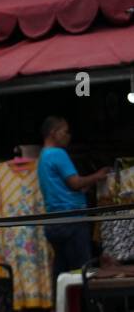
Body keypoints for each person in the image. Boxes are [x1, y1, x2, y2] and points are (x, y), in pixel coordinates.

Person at [38, 115, 109, 284]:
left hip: (55, 222)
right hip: (72, 220)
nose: (68, 136)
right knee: (82, 271)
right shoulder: (58, 153)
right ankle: (88, 307)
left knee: (63, 273)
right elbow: (75, 183)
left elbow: (67, 187)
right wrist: (98, 176)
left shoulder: (43, 156)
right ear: (54, 133)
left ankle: (66, 308)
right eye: (66, 131)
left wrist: (87, 185)